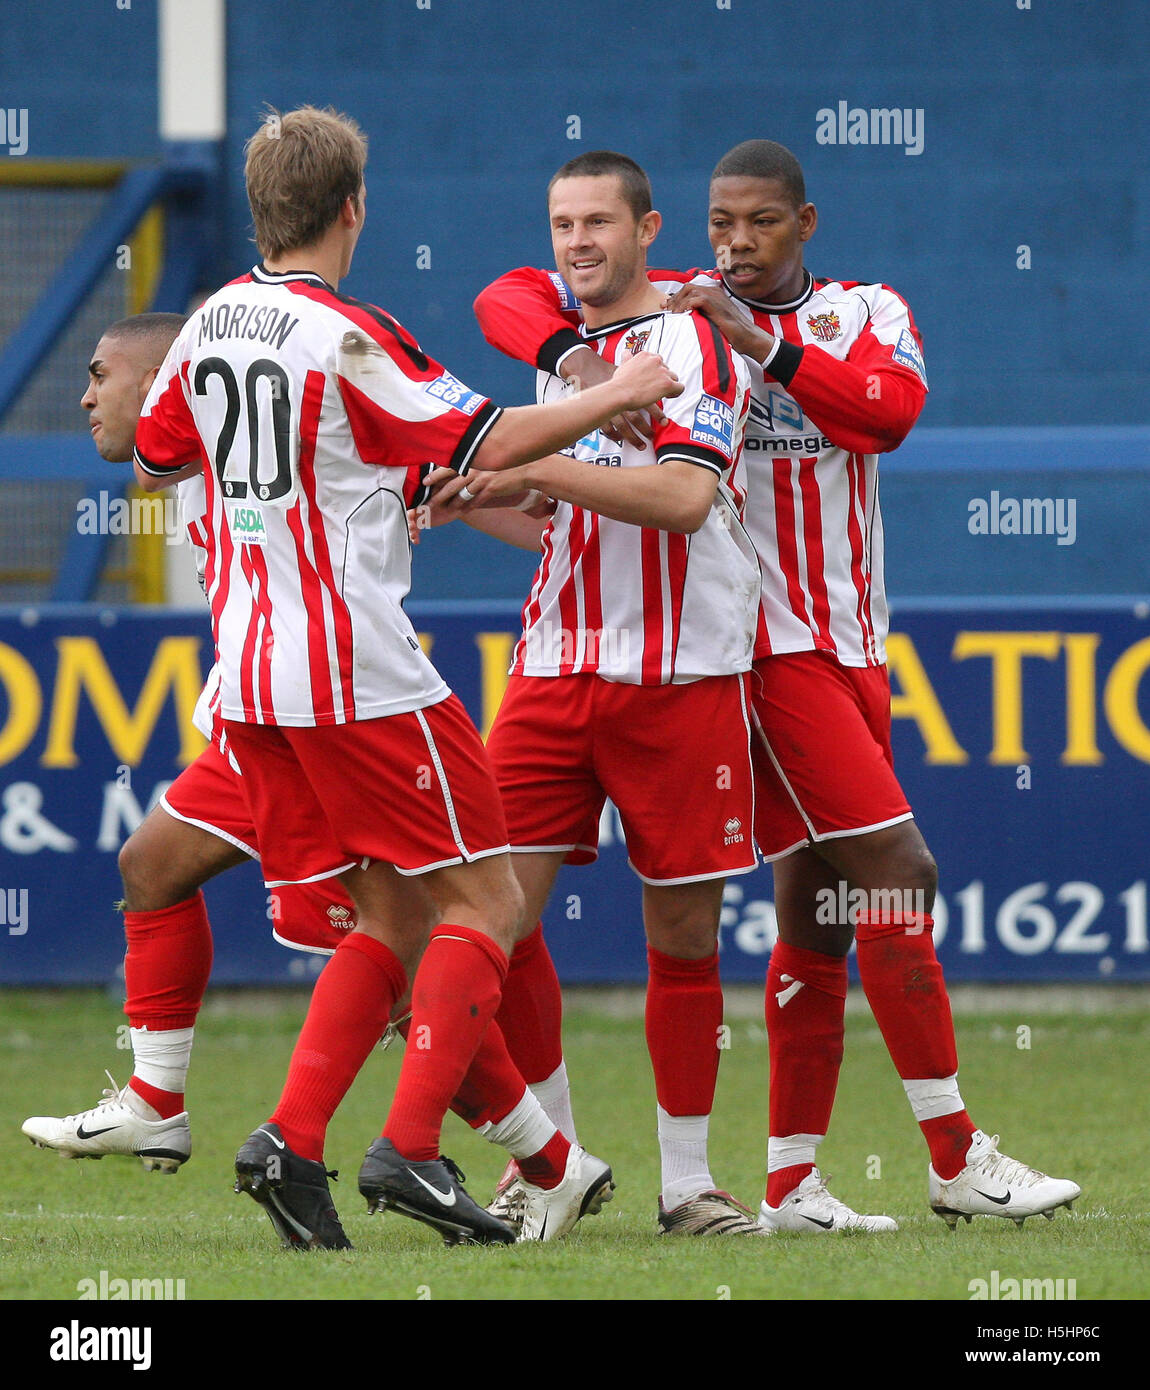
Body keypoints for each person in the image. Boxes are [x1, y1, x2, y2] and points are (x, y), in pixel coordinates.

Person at [470, 138, 1081, 1232]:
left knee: (821, 912)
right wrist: (572, 362)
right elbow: (509, 293)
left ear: (806, 223)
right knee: (898, 870)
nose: (735, 244)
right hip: (757, 649)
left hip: (849, 644)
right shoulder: (678, 327)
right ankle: (952, 1152)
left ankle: (792, 1180)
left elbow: (886, 415)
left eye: (757, 223)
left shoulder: (858, 313)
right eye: (719, 224)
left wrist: (772, 347)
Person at [130, 108, 679, 1248]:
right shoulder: (344, 334)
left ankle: (288, 1140)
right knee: (480, 905)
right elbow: (486, 439)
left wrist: (353, 487)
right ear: (352, 209)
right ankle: (415, 1148)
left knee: (381, 912)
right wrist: (621, 397)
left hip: (252, 680)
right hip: (362, 671)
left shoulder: (204, 327)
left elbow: (155, 452)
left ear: (258, 207)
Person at [425, 149, 770, 1237]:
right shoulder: (560, 350)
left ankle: (686, 1183)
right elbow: (552, 519)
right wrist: (472, 494)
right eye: (561, 222)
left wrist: (532, 463)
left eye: (597, 223)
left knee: (679, 934)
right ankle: (553, 1164)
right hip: (552, 667)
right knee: (493, 915)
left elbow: (675, 499)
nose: (577, 242)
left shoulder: (695, 340)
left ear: (647, 229)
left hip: (683, 674)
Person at [21, 313, 375, 1179]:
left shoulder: (252, 432)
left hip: (313, 724)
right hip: (253, 719)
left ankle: (538, 1149)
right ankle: (156, 1105)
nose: (85, 394)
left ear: (165, 379)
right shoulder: (186, 457)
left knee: (373, 945)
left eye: (103, 373)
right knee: (151, 864)